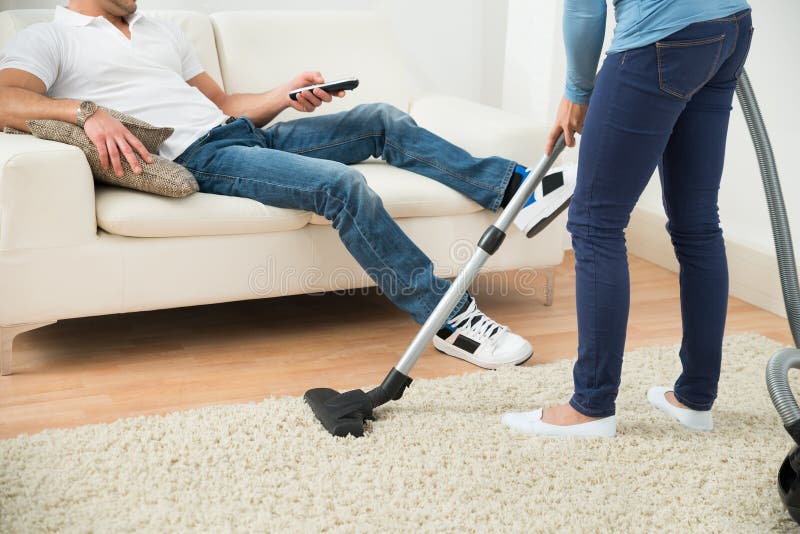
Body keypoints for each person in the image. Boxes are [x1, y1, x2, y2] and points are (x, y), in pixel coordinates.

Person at [0, 0, 574, 370]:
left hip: (238, 131)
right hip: (202, 158)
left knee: (380, 118)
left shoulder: (162, 31)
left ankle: (515, 190)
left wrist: (285, 94)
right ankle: (447, 316)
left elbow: (224, 105)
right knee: (342, 186)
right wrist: (85, 112)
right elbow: (6, 99)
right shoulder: (52, 38)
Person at [503, 0, 753, 437]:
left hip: (660, 36)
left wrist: (577, 92)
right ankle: (695, 398)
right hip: (730, 26)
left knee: (595, 223)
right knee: (698, 223)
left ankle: (591, 407)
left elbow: (584, 9)